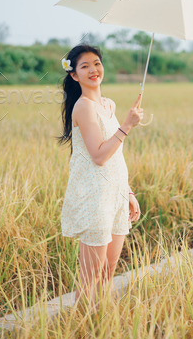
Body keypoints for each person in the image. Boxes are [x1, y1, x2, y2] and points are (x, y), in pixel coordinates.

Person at [56, 43, 144, 312]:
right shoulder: (83, 107)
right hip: (94, 196)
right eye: (85, 66)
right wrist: (127, 125)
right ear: (74, 75)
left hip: (115, 193)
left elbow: (115, 156)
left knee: (107, 271)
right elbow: (98, 155)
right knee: (90, 277)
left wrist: (127, 192)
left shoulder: (108, 104)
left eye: (97, 63)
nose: (93, 70)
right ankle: (80, 326)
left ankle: (100, 322)